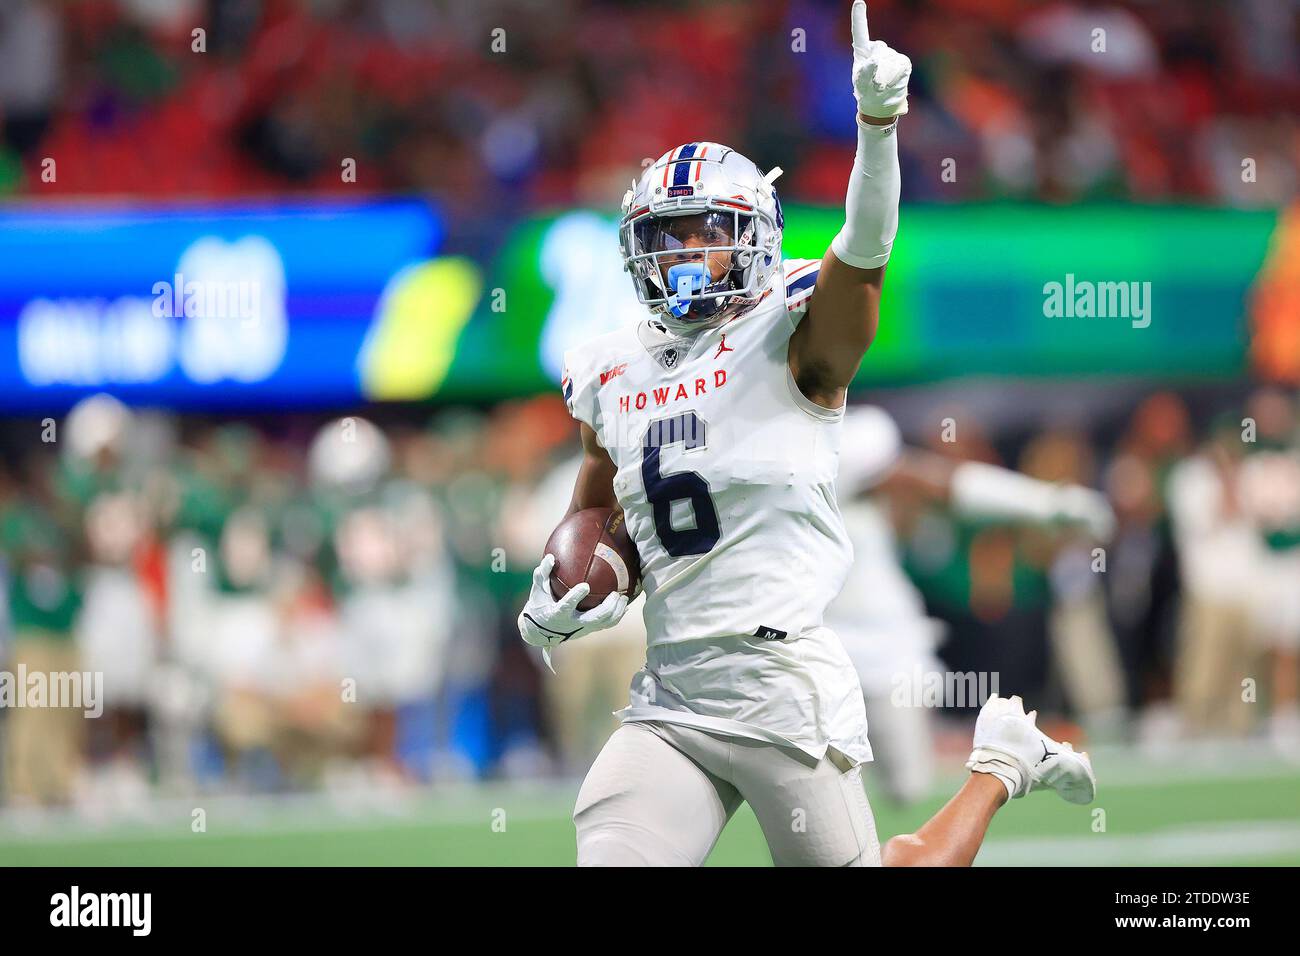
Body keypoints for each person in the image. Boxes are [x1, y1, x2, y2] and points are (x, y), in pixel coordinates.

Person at [518, 2, 1094, 866]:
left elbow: (864, 250)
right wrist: (566, 593)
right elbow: (612, 521)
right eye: (664, 238)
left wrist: (879, 127)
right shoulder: (610, 369)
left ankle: (1001, 762)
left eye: (705, 236)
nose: (681, 257)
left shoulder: (790, 339)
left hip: (781, 685)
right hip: (671, 693)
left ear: (753, 238)